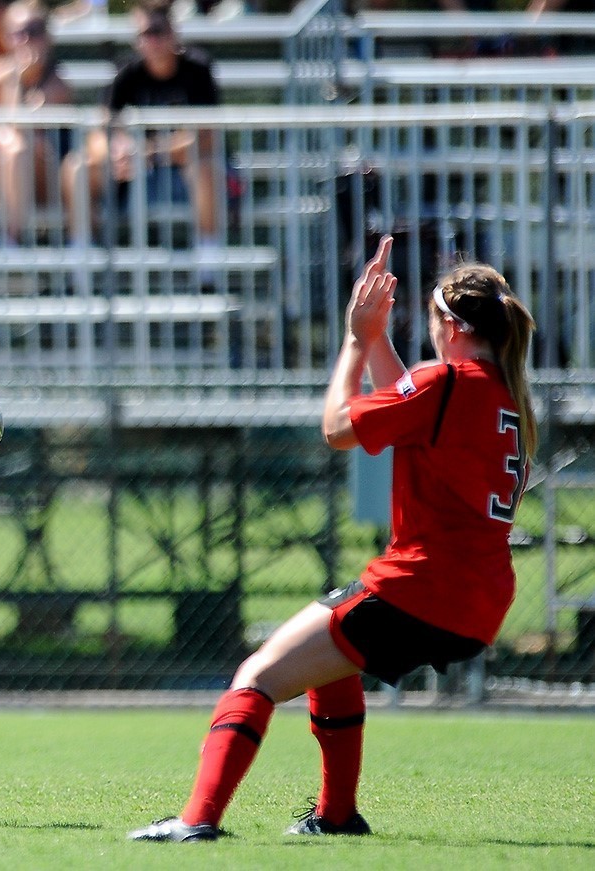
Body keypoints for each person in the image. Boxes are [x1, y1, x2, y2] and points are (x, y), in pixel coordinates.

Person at [129, 235, 537, 843]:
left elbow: (339, 427)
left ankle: (197, 820)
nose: (430, 332)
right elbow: (407, 406)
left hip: (420, 585)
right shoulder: (502, 394)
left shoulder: (447, 381)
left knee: (258, 675)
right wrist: (375, 335)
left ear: (452, 327)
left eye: (432, 319)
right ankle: (337, 816)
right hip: (479, 601)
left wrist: (353, 342)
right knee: (332, 663)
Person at [59, 0, 220, 248]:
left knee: (204, 167)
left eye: (157, 31)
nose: (151, 40)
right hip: (134, 172)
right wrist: (117, 151)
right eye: (144, 34)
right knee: (76, 166)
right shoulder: (127, 71)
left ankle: (209, 259)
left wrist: (150, 152)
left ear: (173, 32)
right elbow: (100, 132)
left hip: (181, 172)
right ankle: (81, 253)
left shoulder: (197, 69)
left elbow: (205, 137)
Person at [0, 0, 72, 246]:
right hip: (4, 169)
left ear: (46, 37)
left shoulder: (56, 80)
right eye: (19, 32)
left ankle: (12, 239)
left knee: (18, 149)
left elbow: (23, 125)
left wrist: (18, 81)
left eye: (34, 31)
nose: (26, 39)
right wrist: (2, 138)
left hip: (47, 179)